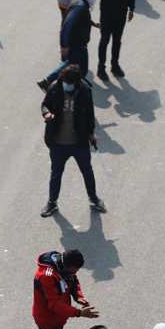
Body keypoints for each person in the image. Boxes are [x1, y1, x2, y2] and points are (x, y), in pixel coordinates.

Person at [39, 65, 102, 216]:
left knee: (87, 171)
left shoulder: (85, 90)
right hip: (57, 143)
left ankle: (94, 199)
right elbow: (44, 105)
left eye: (70, 83)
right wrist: (46, 114)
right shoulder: (55, 88)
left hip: (79, 143)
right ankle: (52, 203)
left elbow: (89, 114)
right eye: (65, 81)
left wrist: (91, 134)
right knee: (56, 174)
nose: (67, 85)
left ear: (77, 82)